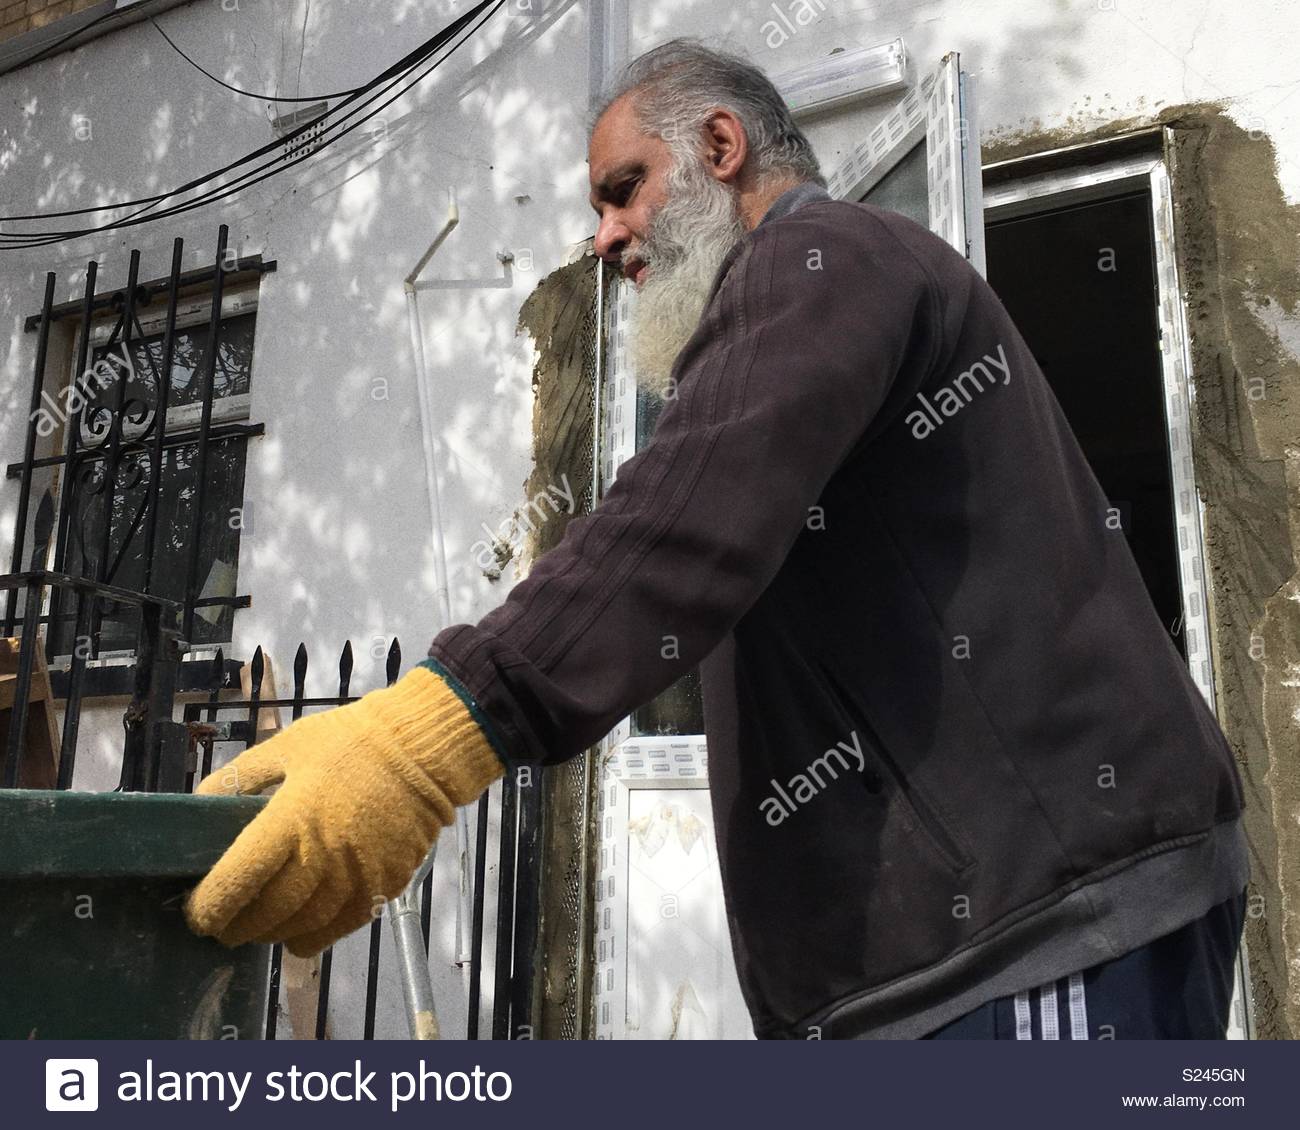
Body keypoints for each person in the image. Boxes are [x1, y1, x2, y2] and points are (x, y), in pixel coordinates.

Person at [184, 39, 1249, 1040]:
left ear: (720, 147)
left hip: (1032, 940)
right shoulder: (818, 294)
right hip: (962, 964)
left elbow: (683, 521)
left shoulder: (823, 255)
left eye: (620, 188)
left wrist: (430, 737)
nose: (603, 237)